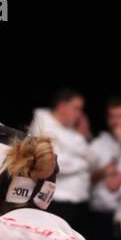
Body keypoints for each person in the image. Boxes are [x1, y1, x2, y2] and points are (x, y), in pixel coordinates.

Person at [29, 90, 94, 232]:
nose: (79, 114)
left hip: (77, 202)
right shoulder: (43, 123)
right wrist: (83, 163)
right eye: (76, 108)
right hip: (56, 201)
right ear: (62, 106)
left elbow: (91, 156)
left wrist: (85, 136)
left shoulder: (72, 131)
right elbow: (53, 162)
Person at [87, 98, 121, 240]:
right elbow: (85, 180)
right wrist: (103, 173)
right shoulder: (98, 144)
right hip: (101, 212)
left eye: (120, 116)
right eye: (112, 116)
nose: (116, 121)